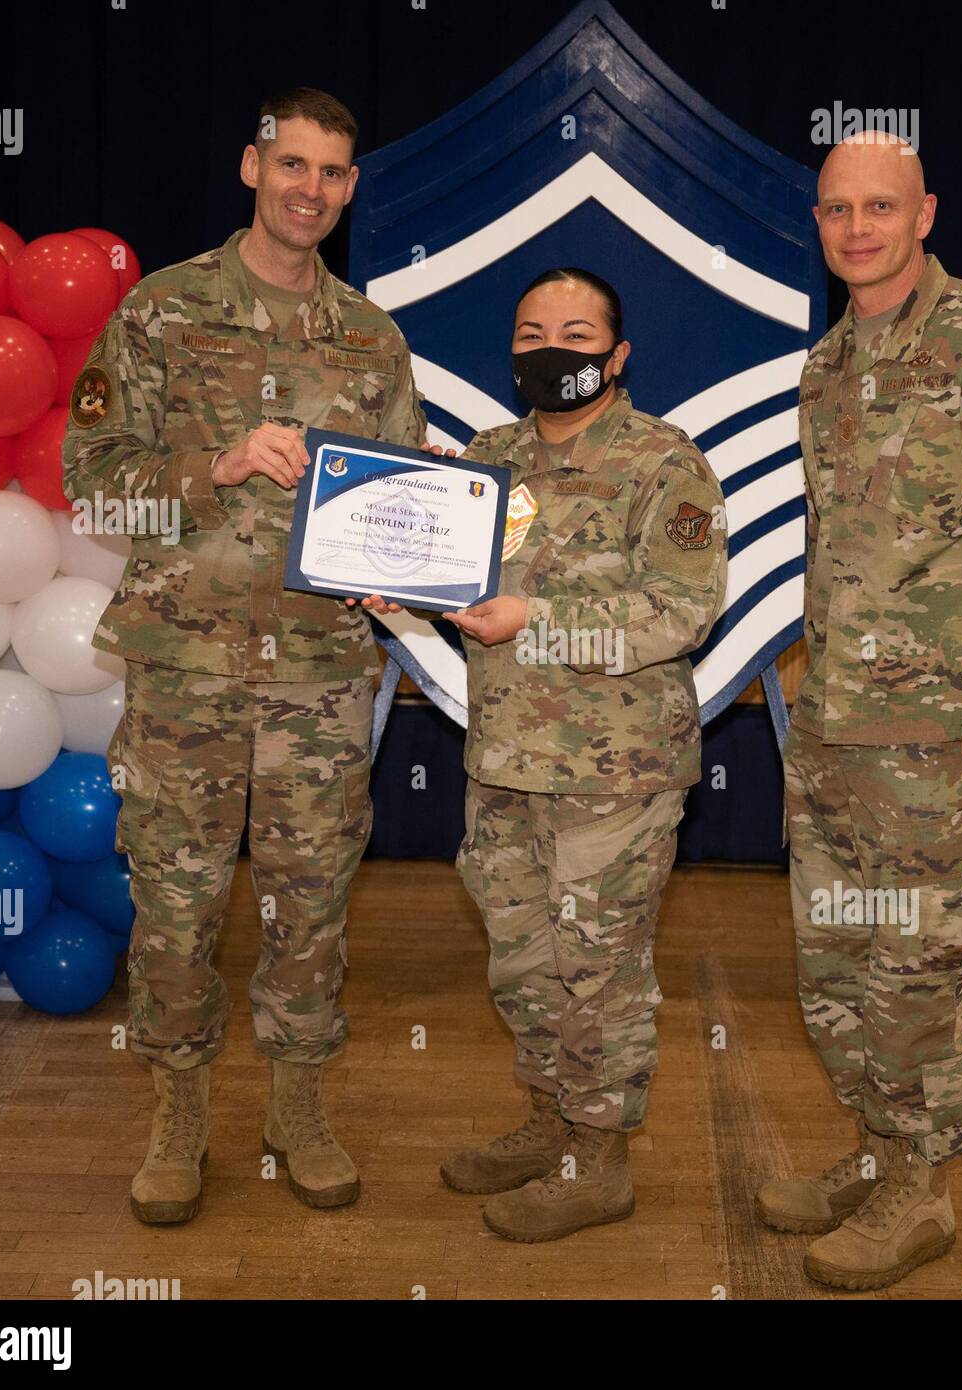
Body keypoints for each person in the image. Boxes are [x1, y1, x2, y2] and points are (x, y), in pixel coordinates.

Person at [62, 87, 427, 1225]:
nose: (308, 188)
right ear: (250, 167)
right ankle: (178, 1116)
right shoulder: (161, 312)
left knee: (309, 909)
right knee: (174, 911)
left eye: (330, 172)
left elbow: (406, 501)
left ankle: (297, 1109)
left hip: (320, 679)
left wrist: (403, 572)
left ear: (349, 188)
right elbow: (89, 481)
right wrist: (208, 470)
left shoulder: (370, 336)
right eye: (291, 165)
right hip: (185, 674)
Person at [755, 132, 962, 1289]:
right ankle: (876, 1146)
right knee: (836, 964)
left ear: (926, 212)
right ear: (819, 221)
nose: (858, 228)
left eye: (881, 208)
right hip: (840, 725)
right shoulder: (829, 362)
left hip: (949, 737)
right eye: (837, 209)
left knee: (913, 975)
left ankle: (923, 1192)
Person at [364, 268, 727, 1241]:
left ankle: (598, 1160)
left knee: (596, 969)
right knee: (524, 961)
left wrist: (540, 618)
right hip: (504, 757)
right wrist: (397, 582)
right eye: (532, 332)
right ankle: (548, 1120)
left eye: (575, 332)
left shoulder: (663, 462)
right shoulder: (488, 459)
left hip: (617, 772)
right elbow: (461, 587)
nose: (550, 349)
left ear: (617, 356)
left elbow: (683, 610)